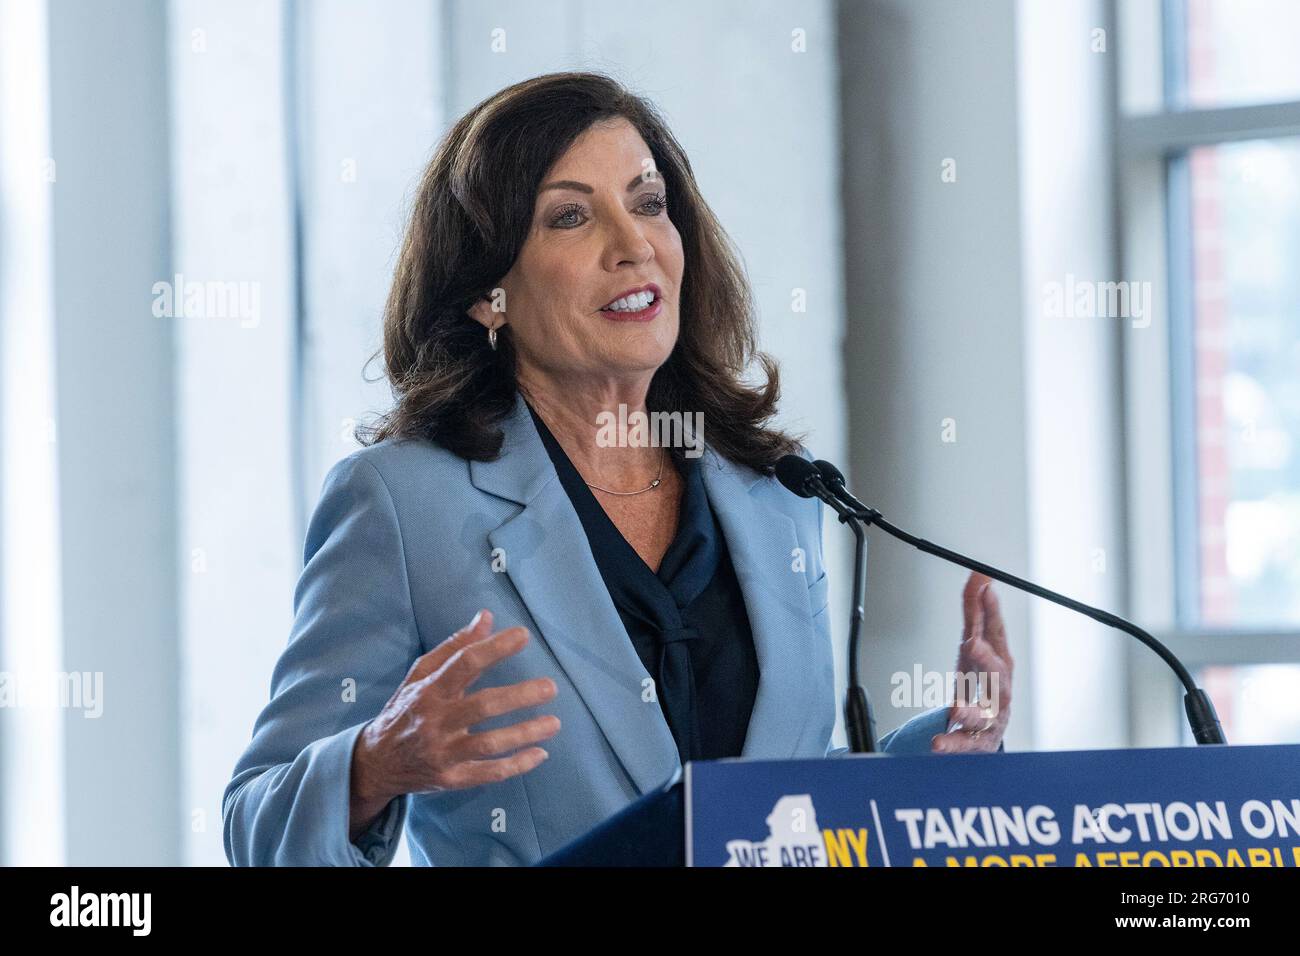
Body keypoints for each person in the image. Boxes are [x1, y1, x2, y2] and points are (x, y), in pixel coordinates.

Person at [222, 71, 1013, 867]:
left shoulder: (773, 485)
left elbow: (770, 809)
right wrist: (373, 763)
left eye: (648, 203)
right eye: (570, 217)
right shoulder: (403, 503)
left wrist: (933, 754)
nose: (633, 244)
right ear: (486, 296)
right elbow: (255, 824)